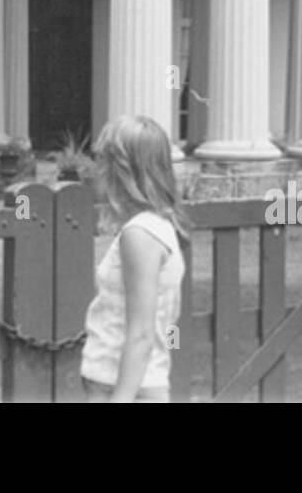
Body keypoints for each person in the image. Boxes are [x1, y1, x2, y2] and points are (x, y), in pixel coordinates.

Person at [80, 115, 188, 403]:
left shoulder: (139, 234)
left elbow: (141, 333)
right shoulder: (159, 226)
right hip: (134, 384)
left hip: (121, 387)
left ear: (122, 169)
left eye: (102, 160)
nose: (97, 170)